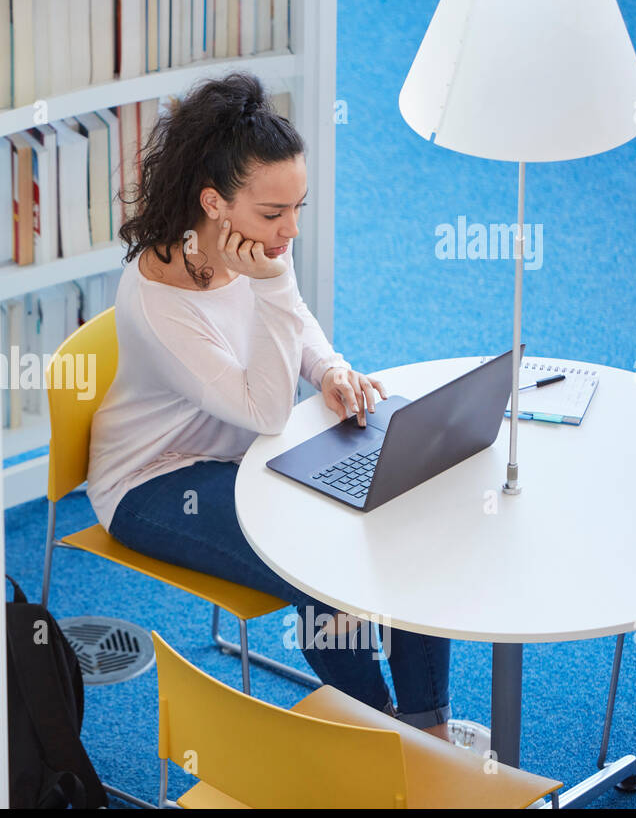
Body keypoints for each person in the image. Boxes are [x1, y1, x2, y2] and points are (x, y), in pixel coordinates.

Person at [86, 72, 453, 738]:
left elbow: (290, 328)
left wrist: (330, 367)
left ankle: (426, 725)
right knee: (315, 571)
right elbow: (266, 409)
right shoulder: (160, 302)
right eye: (273, 214)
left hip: (240, 451)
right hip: (155, 479)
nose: (288, 231)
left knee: (396, 506)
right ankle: (380, 737)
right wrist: (276, 282)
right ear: (215, 203)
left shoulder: (243, 251)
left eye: (297, 210)